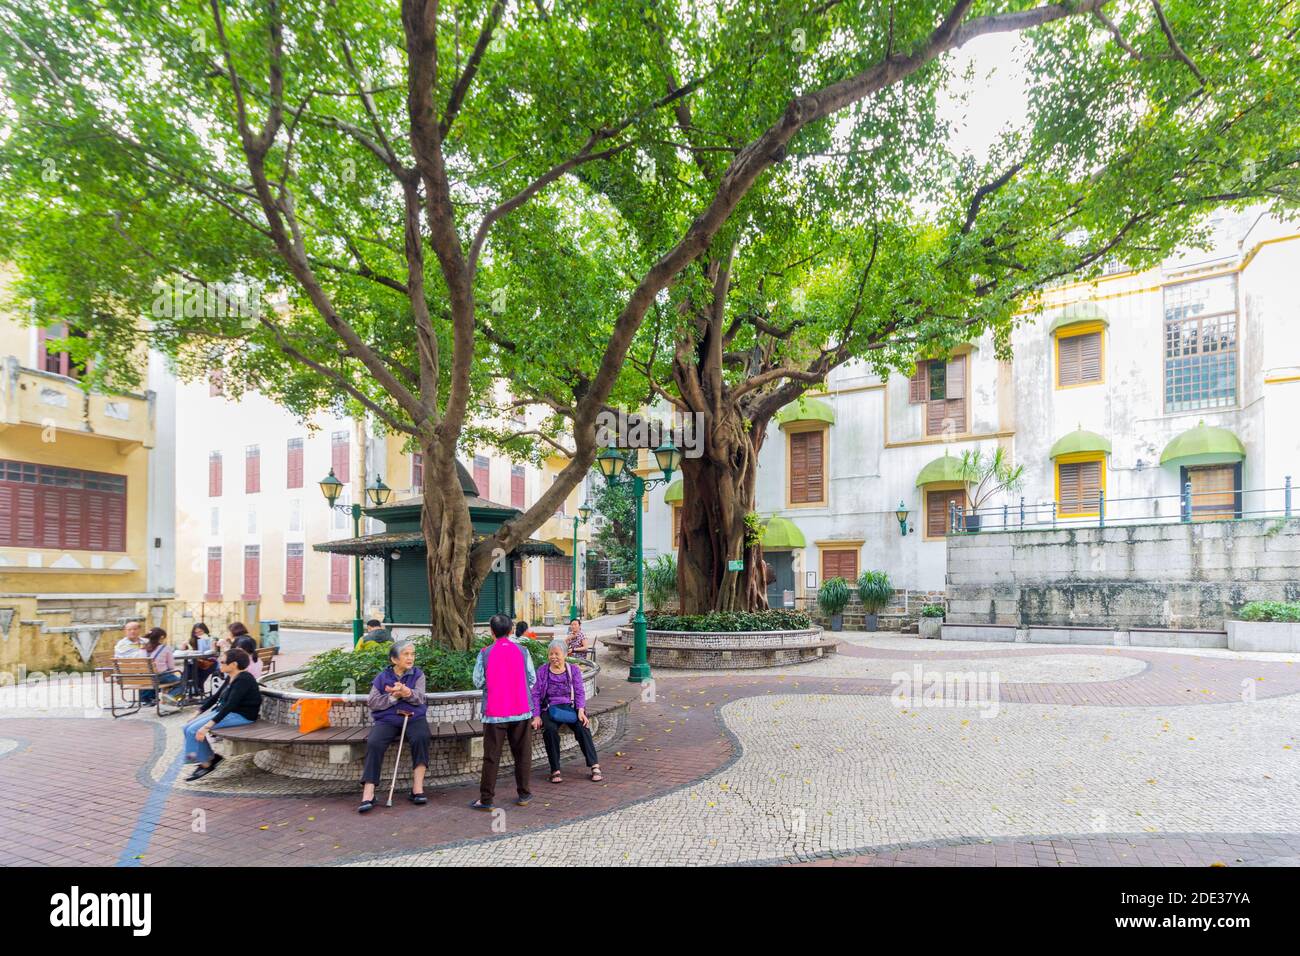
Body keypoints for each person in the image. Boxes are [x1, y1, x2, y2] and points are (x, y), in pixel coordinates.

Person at [470, 613, 536, 810]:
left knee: (491, 756)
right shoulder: (523, 651)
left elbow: (478, 681)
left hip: (494, 713)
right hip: (522, 710)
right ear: (510, 630)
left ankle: (486, 799)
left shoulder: (485, 653)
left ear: (492, 631)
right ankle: (524, 794)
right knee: (522, 754)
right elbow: (531, 679)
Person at [358, 641, 430, 813]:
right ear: (394, 659)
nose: (410, 657)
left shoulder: (418, 675)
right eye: (406, 654)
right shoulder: (382, 677)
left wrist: (407, 692)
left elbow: (420, 698)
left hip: (413, 717)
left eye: (412, 654)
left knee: (422, 737)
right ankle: (369, 792)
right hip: (387, 719)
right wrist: (393, 697)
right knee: (374, 742)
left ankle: (417, 789)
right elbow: (373, 702)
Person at [183, 648, 262, 781]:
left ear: (234, 665)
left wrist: (207, 726)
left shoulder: (244, 680)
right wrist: (199, 711)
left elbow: (230, 705)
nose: (220, 664)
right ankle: (210, 758)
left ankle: (206, 763)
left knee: (193, 730)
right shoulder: (232, 676)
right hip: (226, 712)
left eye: (223, 662)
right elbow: (216, 697)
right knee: (186, 728)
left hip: (241, 716)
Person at [532, 638, 602, 783]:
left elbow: (579, 692)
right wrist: (536, 715)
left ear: (564, 654)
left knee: (583, 727)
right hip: (549, 708)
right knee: (550, 730)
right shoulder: (543, 671)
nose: (553, 657)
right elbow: (536, 694)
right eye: (551, 654)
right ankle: (555, 769)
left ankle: (594, 765)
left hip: (569, 707)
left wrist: (581, 710)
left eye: (557, 654)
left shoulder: (573, 670)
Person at [140, 627, 183, 706]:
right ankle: (170, 697)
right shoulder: (166, 648)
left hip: (145, 677)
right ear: (161, 637)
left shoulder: (142, 649)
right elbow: (171, 667)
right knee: (182, 682)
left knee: (155, 678)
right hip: (160, 676)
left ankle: (146, 699)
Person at [185, 623, 216, 697]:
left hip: (210, 662)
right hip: (197, 662)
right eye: (196, 632)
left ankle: (197, 691)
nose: (198, 634)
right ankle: (193, 690)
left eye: (200, 631)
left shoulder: (211, 638)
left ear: (205, 630)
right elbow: (188, 650)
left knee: (199, 673)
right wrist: (184, 647)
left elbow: (213, 651)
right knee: (188, 669)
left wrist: (209, 645)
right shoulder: (193, 640)